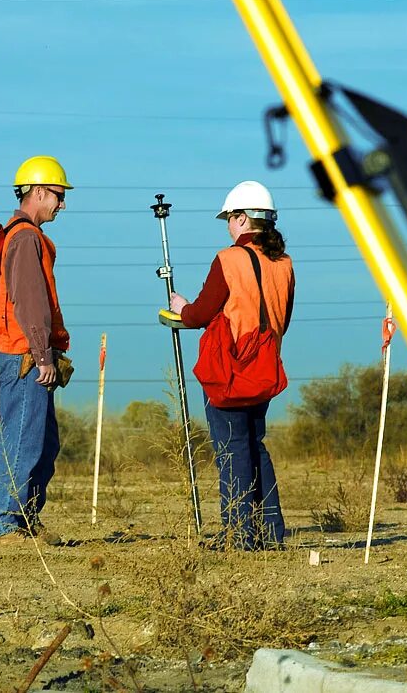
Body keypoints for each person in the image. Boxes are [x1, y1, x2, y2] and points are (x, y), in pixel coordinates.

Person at [169, 181, 294, 551]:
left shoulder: (228, 259)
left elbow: (200, 314)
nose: (227, 225)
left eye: (229, 218)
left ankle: (239, 536)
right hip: (266, 365)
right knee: (256, 444)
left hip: (230, 368)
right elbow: (283, 317)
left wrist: (182, 307)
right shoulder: (284, 264)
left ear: (242, 218)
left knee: (232, 448)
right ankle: (271, 534)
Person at [0, 156, 73, 545]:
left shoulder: (23, 236)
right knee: (21, 442)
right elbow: (30, 301)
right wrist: (42, 357)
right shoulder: (24, 238)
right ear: (38, 192)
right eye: (58, 195)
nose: (62, 204)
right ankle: (3, 524)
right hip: (24, 357)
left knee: (42, 443)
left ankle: (22, 519)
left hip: (25, 355)